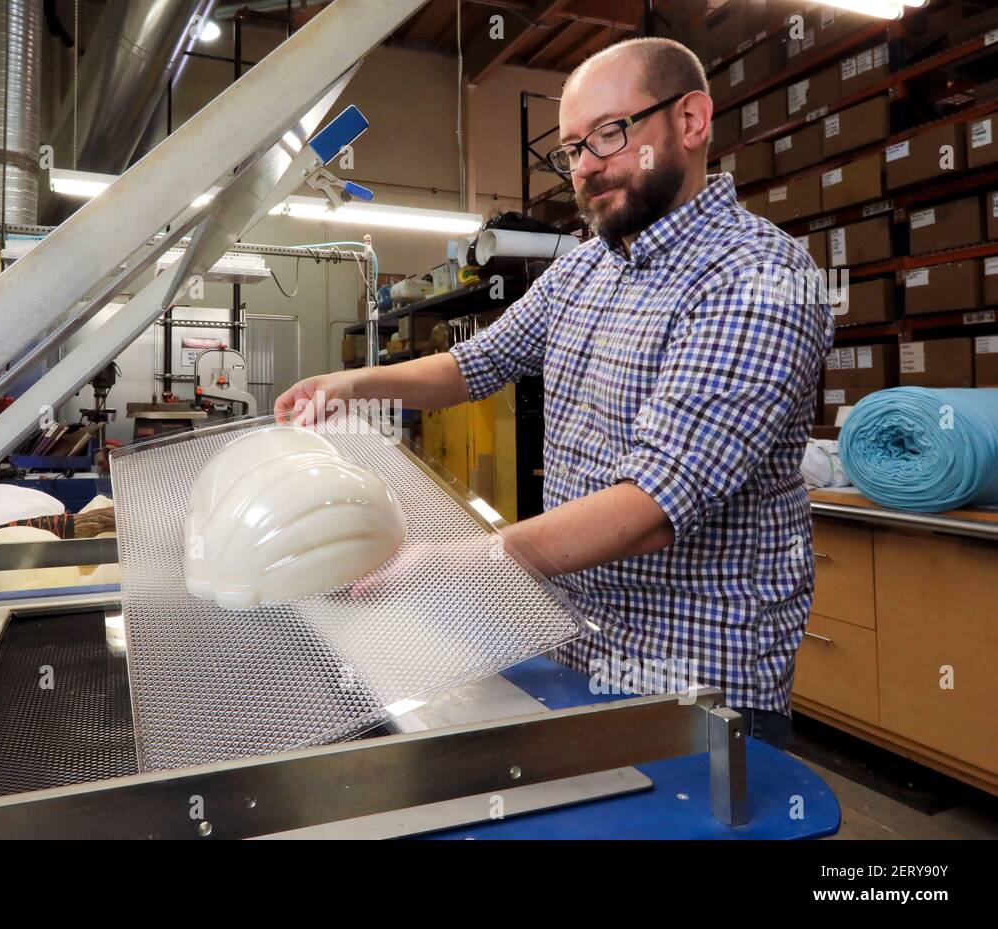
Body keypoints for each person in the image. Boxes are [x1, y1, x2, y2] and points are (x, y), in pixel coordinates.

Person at [275, 37, 833, 750]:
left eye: (610, 133)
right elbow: (475, 364)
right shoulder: (585, 270)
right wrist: (353, 381)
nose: (588, 167)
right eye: (572, 148)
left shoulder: (757, 278)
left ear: (691, 122)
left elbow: (652, 508)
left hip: (697, 685)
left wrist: (440, 566)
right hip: (579, 649)